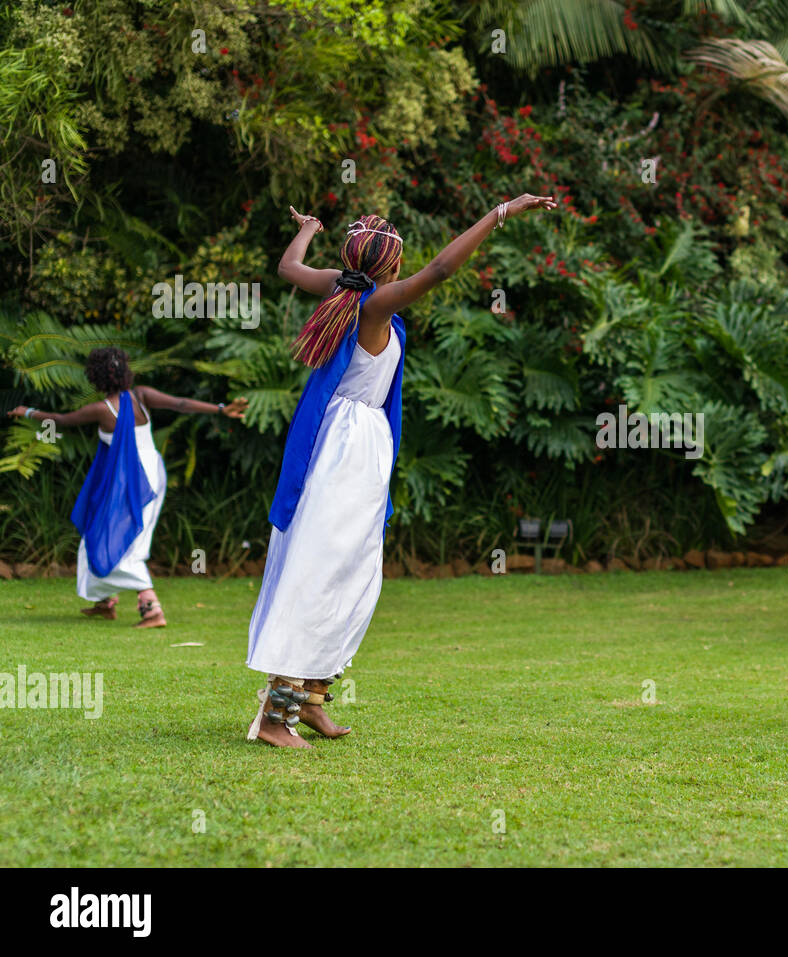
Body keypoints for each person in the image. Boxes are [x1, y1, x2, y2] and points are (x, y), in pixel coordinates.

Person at [247, 195, 556, 749]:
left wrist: (309, 229)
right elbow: (441, 270)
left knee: (352, 574)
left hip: (352, 450)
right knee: (320, 574)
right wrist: (500, 212)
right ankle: (276, 717)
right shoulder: (375, 305)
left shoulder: (343, 289)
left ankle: (313, 699)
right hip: (345, 454)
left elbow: (288, 268)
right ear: (388, 265)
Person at [7, 348, 248, 627]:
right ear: (125, 373)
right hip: (150, 471)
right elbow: (180, 403)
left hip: (134, 478)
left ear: (95, 378)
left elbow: (60, 421)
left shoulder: (101, 409)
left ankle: (151, 607)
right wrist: (221, 408)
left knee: (126, 540)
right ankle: (105, 601)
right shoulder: (141, 396)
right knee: (103, 529)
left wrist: (29, 412)